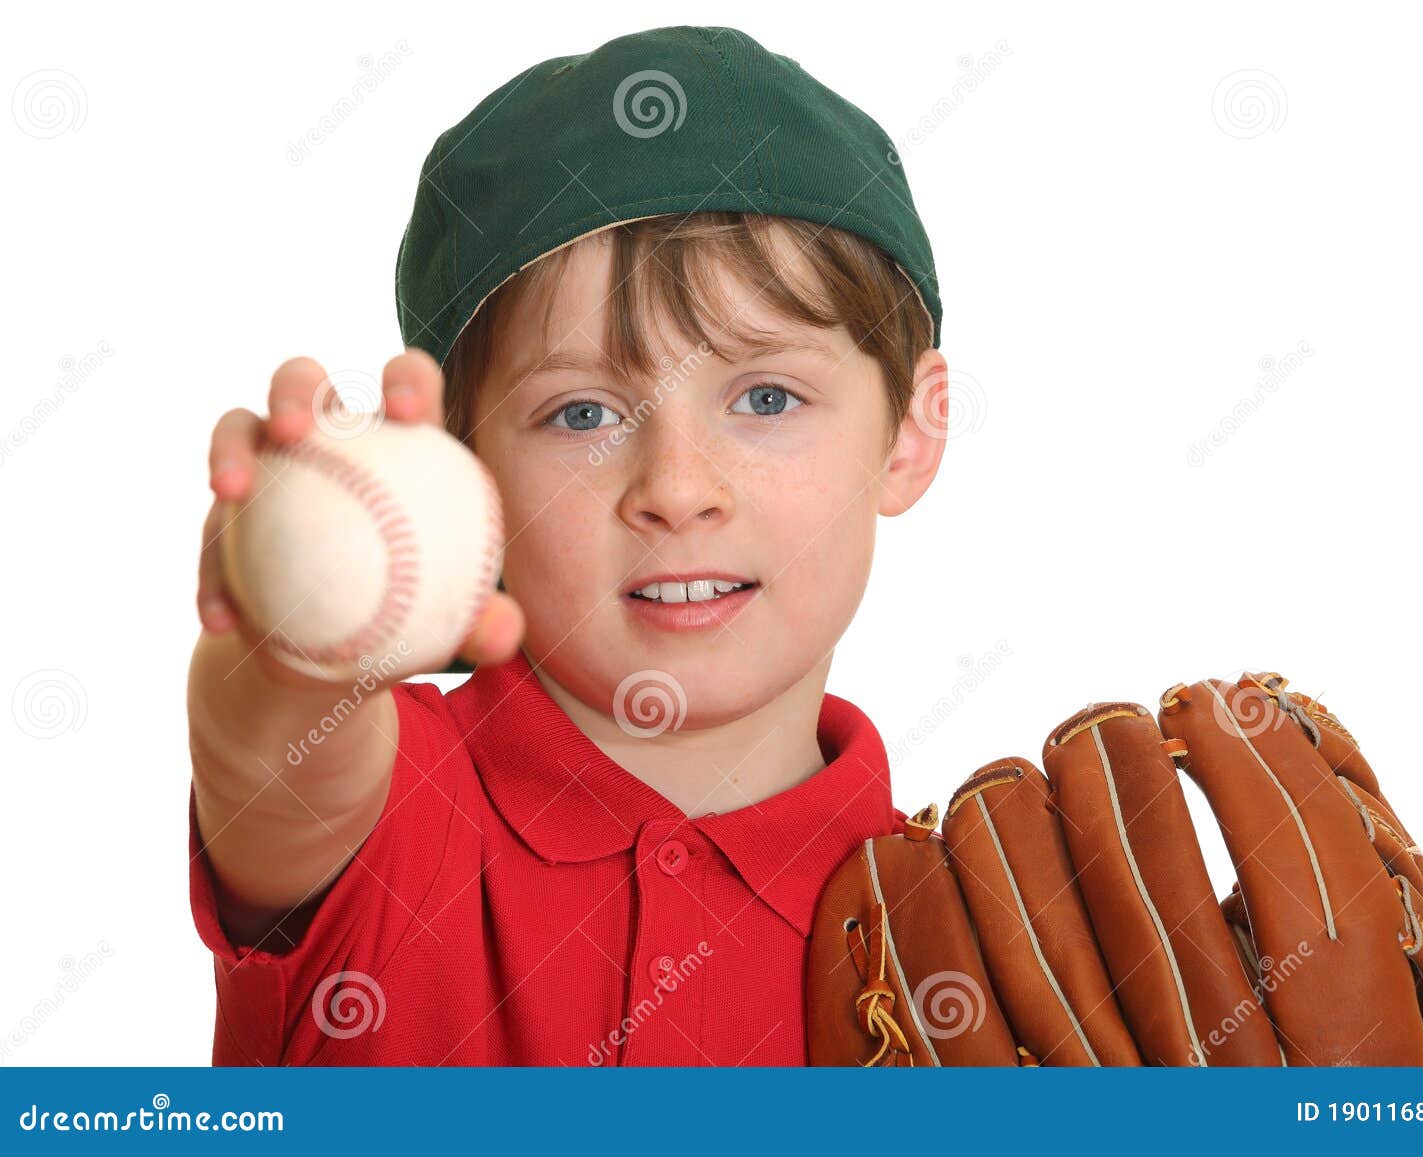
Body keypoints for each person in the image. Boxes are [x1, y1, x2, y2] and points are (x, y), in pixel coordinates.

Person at [187, 25, 950, 1065]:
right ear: (466, 467)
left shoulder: (956, 947)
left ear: (909, 432)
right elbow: (275, 762)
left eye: (767, 397)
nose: (676, 490)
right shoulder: (389, 806)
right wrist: (292, 637)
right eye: (583, 414)